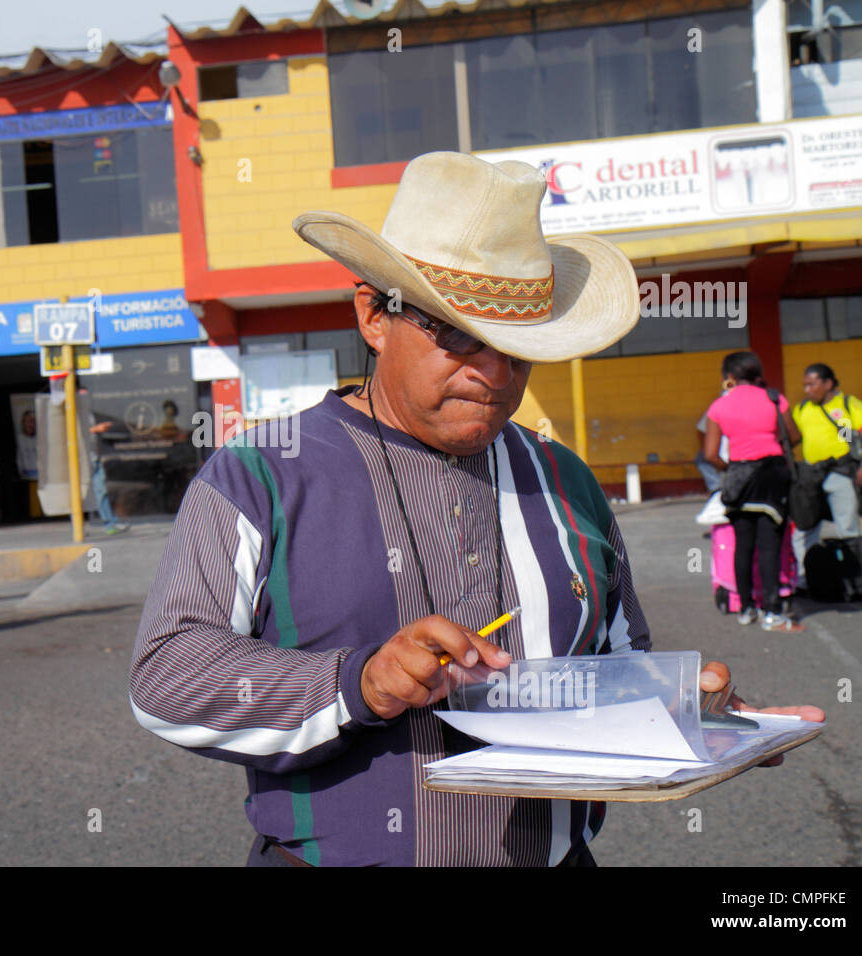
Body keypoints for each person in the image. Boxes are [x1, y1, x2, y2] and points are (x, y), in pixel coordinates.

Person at [129, 152, 824, 867]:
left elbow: (619, 666)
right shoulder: (260, 474)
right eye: (457, 335)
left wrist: (694, 715)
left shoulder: (567, 482)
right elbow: (168, 676)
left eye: (518, 350)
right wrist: (357, 682)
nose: (493, 375)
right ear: (374, 314)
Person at [702, 352, 802, 631]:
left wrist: (732, 469)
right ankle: (772, 611)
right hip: (772, 477)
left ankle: (746, 608)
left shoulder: (719, 406)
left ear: (730, 377)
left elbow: (710, 454)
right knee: (770, 546)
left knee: (743, 546)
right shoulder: (774, 398)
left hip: (739, 479)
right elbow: (794, 436)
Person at [790, 364, 862, 575]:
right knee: (804, 530)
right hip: (811, 476)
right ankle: (807, 578)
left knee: (847, 527)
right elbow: (792, 438)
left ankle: (856, 578)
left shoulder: (849, 405)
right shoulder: (802, 409)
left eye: (812, 384)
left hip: (841, 473)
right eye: (805, 385)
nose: (807, 390)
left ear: (828, 383)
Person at [79, 386, 128, 536]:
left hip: (94, 457)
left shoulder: (89, 414)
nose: (85, 400)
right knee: (81, 493)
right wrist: (95, 429)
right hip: (82, 459)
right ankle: (79, 527)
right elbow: (75, 433)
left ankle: (110, 523)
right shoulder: (75, 414)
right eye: (81, 397)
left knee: (101, 490)